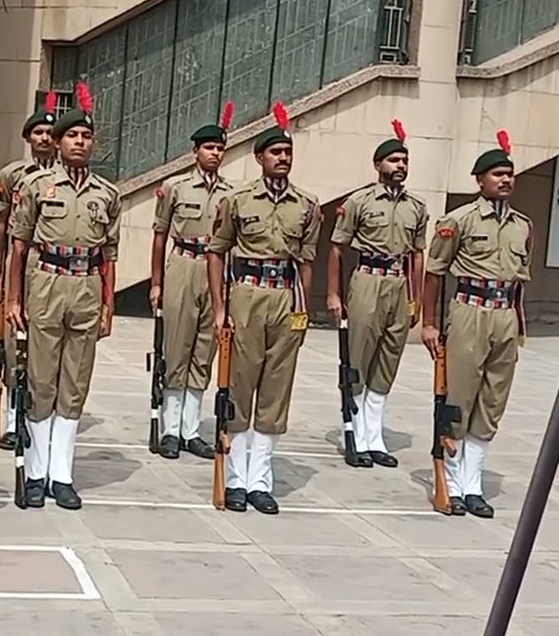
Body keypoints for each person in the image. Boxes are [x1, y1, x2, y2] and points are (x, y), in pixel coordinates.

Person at [5, 81, 120, 510]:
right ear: (57, 141)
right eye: (72, 135)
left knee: (75, 382)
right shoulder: (37, 186)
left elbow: (109, 254)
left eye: (86, 136)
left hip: (86, 286)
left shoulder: (107, 195)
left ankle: (62, 473)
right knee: (40, 378)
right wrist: (14, 300)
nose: (80, 142)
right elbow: (19, 245)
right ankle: (35, 472)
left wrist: (108, 305)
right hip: (47, 281)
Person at [207, 102, 319, 516]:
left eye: (287, 153)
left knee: (275, 390)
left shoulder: (307, 205)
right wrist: (220, 308)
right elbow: (216, 253)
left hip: (284, 297)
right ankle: (235, 478)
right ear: (259, 158)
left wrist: (301, 314)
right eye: (275, 152)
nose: (283, 159)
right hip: (247, 294)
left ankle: (260, 480)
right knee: (239, 384)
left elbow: (307, 262)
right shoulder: (237, 202)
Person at [420, 130, 530, 519]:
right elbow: (434, 272)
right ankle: (449, 480)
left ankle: (473, 484)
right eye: (497, 174)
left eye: (509, 174)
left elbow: (519, 280)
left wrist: (518, 326)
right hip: (469, 311)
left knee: (492, 400)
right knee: (459, 398)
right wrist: (429, 323)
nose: (505, 180)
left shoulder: (522, 225)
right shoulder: (458, 221)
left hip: (504, 317)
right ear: (480, 180)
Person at [326, 119, 428, 469]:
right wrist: (334, 295)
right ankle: (351, 432)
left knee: (388, 361)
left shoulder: (417, 207)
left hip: (399, 285)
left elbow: (417, 255)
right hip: (368, 278)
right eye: (393, 160)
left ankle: (374, 436)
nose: (400, 166)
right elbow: (337, 248)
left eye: (404, 161)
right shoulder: (359, 202)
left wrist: (416, 301)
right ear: (378, 165)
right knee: (358, 358)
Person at [148, 102, 238, 460]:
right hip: (183, 264)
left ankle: (190, 429)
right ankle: (170, 429)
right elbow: (159, 235)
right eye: (208, 148)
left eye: (219, 148)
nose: (214, 153)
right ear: (195, 152)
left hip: (214, 271)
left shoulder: (232, 193)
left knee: (204, 350)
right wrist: (156, 283)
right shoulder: (175, 188)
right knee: (177, 346)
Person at [0, 94, 60, 450]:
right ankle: (13, 419)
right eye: (38, 133)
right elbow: (1, 225)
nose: (45, 138)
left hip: (49, 266)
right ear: (28, 138)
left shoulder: (64, 177)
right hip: (19, 261)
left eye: (50, 132)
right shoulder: (13, 174)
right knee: (12, 345)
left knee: (42, 344)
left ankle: (39, 415)